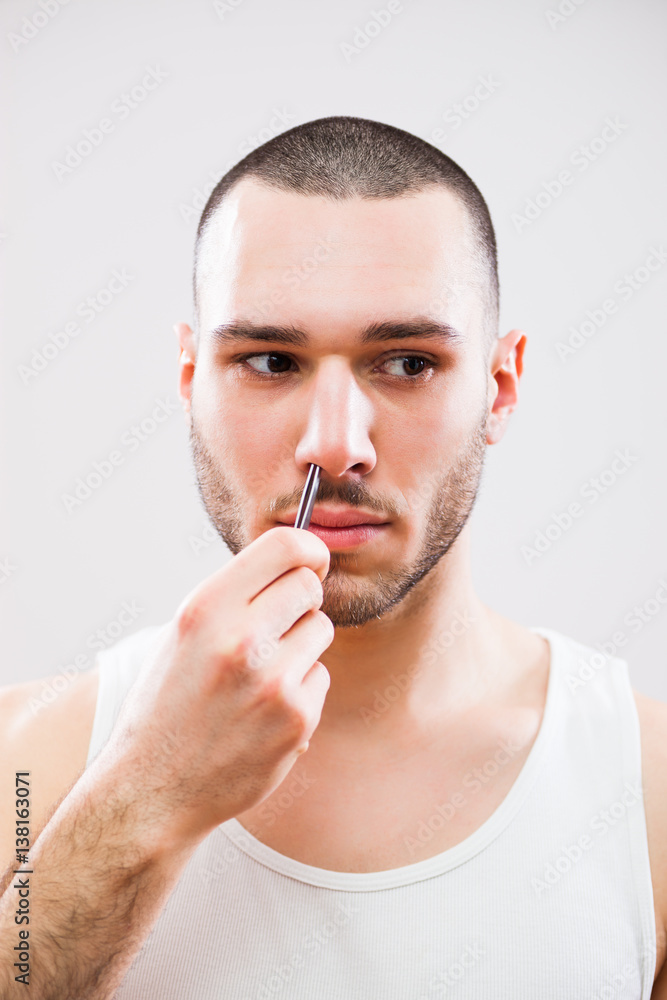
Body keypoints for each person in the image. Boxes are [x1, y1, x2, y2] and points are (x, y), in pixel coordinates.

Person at [1, 115, 666, 998]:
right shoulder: (23, 760)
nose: (334, 445)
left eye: (406, 362)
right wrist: (147, 793)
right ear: (191, 378)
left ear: (500, 388)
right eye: (271, 360)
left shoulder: (644, 788)